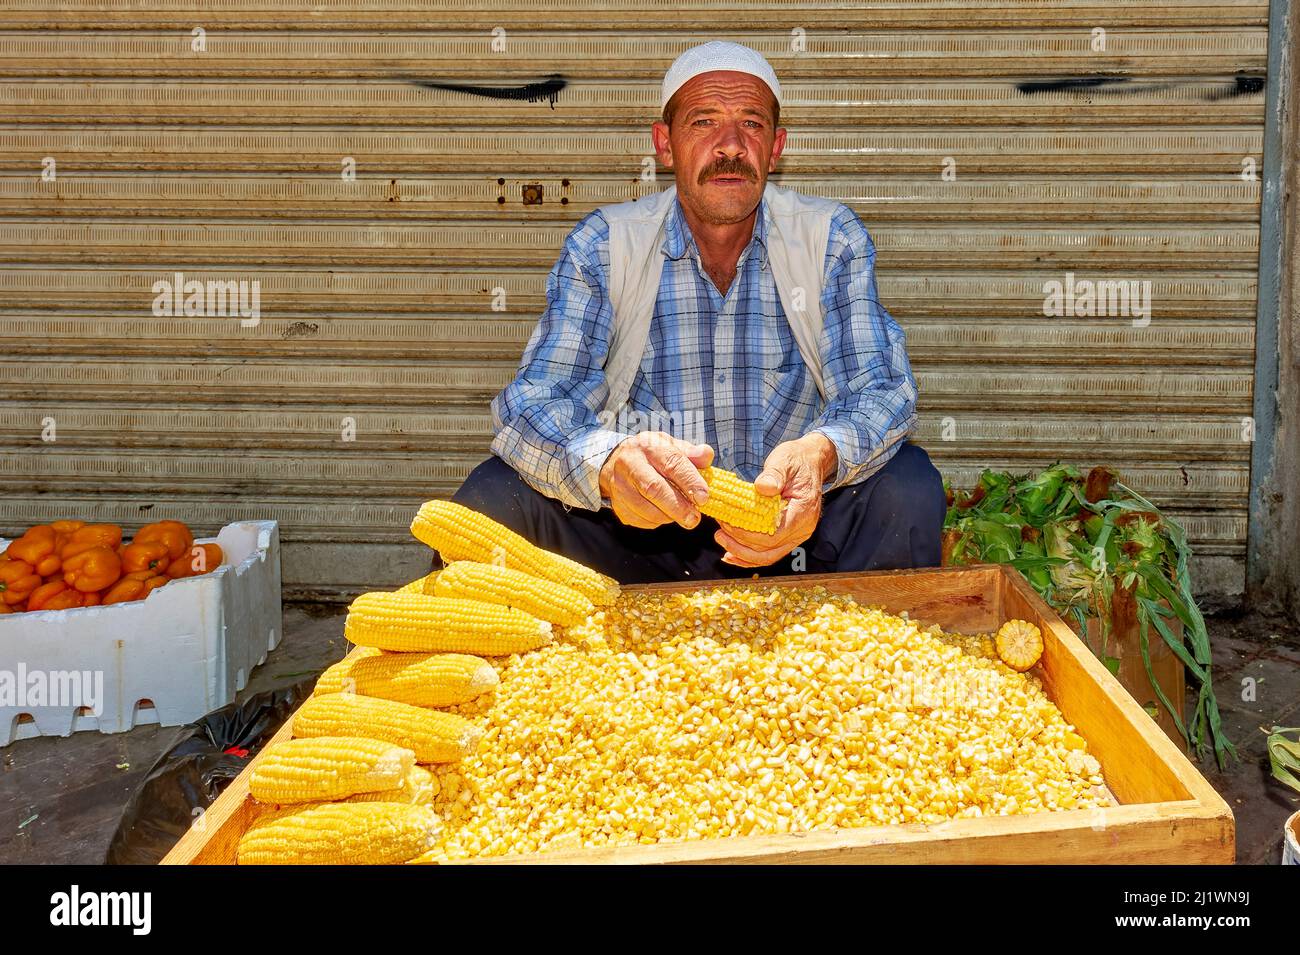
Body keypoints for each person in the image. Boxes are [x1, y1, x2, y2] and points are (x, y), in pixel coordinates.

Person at [448, 40, 945, 584]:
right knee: (493, 496)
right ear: (665, 144)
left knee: (907, 486)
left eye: (751, 124)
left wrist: (820, 454)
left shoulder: (829, 238)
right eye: (703, 122)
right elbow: (535, 401)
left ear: (776, 148)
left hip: (794, 528)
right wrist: (610, 466)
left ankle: (867, 656)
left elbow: (881, 390)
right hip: (645, 531)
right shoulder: (605, 245)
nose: (730, 146)